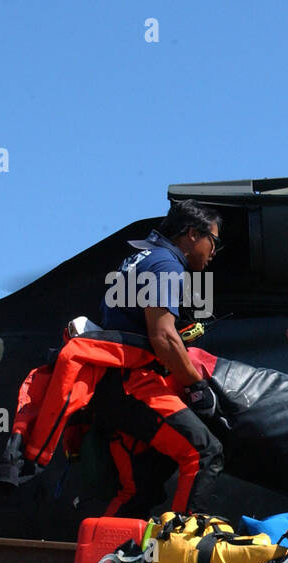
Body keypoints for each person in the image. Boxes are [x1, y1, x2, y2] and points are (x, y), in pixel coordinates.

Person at [91, 199, 225, 516]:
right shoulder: (168, 264)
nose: (214, 252)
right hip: (131, 383)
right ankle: (179, 552)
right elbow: (163, 336)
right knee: (205, 452)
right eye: (214, 241)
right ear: (192, 233)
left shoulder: (140, 257)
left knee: (144, 483)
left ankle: (109, 559)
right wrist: (197, 387)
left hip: (111, 382)